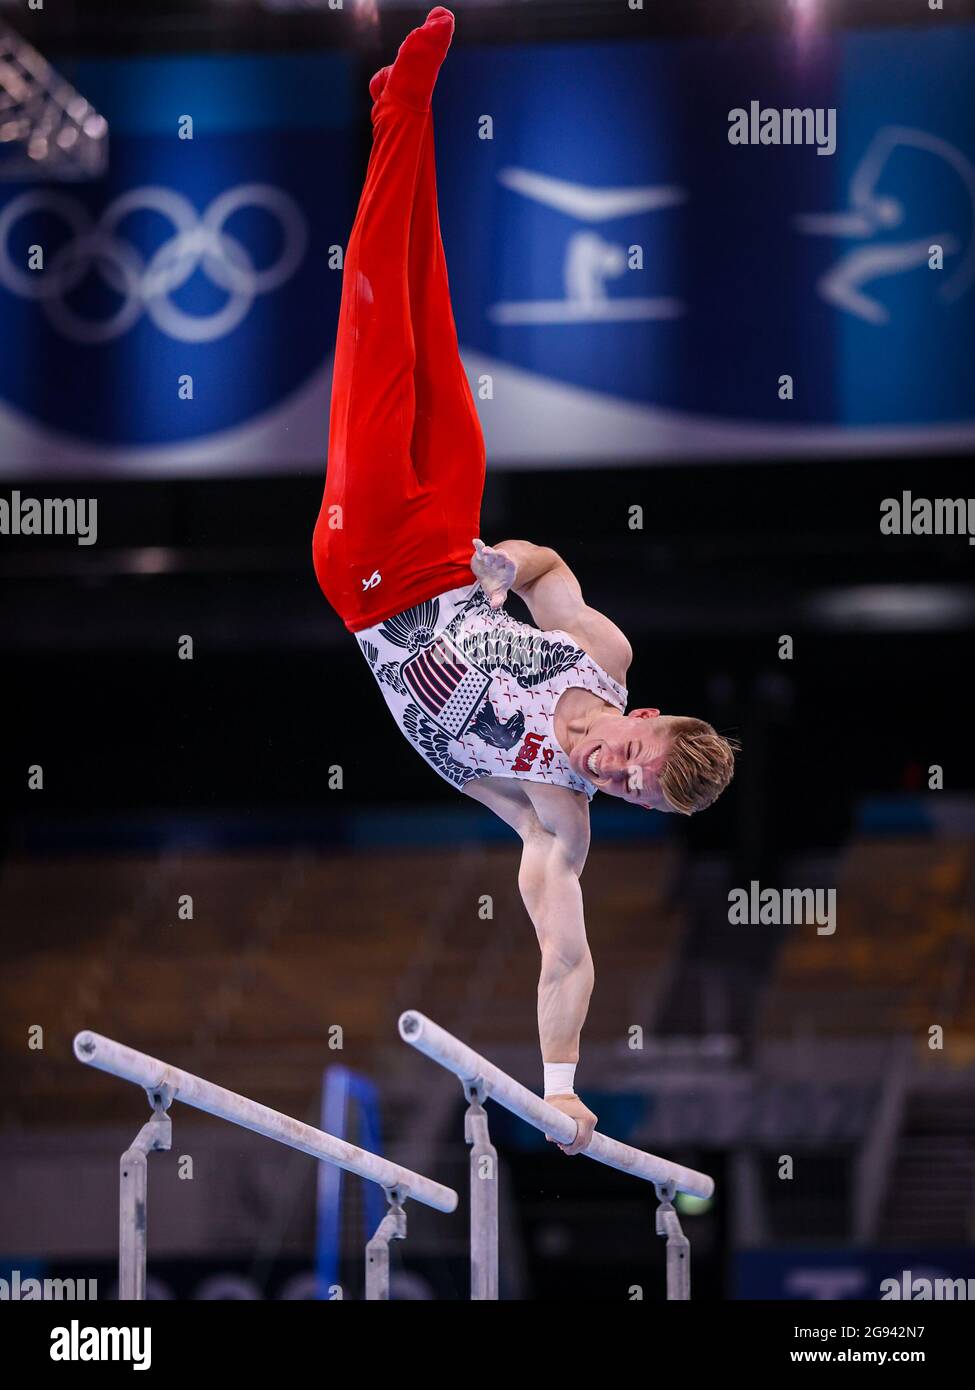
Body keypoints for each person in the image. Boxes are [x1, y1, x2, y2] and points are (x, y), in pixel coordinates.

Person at [313, 8, 737, 1154]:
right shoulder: (607, 658)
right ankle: (411, 112)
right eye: (635, 758)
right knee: (432, 318)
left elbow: (566, 951)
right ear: (646, 719)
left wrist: (558, 1082)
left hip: (368, 577)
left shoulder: (558, 815)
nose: (612, 771)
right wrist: (509, 562)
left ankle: (398, 110)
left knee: (376, 336)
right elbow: (548, 569)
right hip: (454, 546)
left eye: (632, 791)